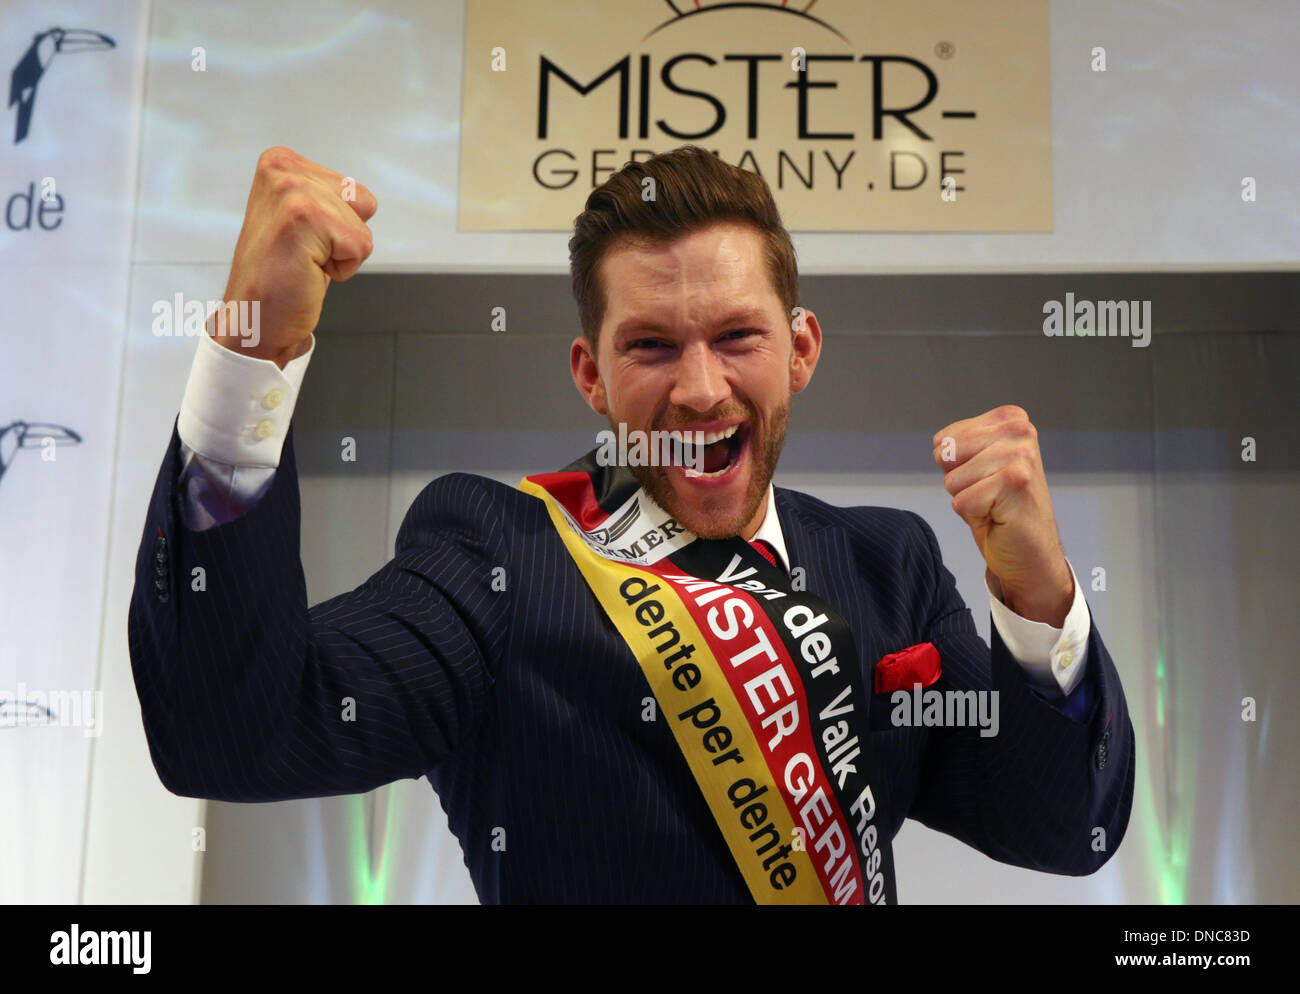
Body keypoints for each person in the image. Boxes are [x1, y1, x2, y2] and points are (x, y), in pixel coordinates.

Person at [128, 144, 1134, 904]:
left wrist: (1036, 595)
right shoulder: (496, 553)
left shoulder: (886, 565)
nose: (699, 390)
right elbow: (233, 738)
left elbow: (1062, 828)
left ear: (800, 350)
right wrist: (252, 355)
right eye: (651, 345)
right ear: (591, 375)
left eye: (737, 336)